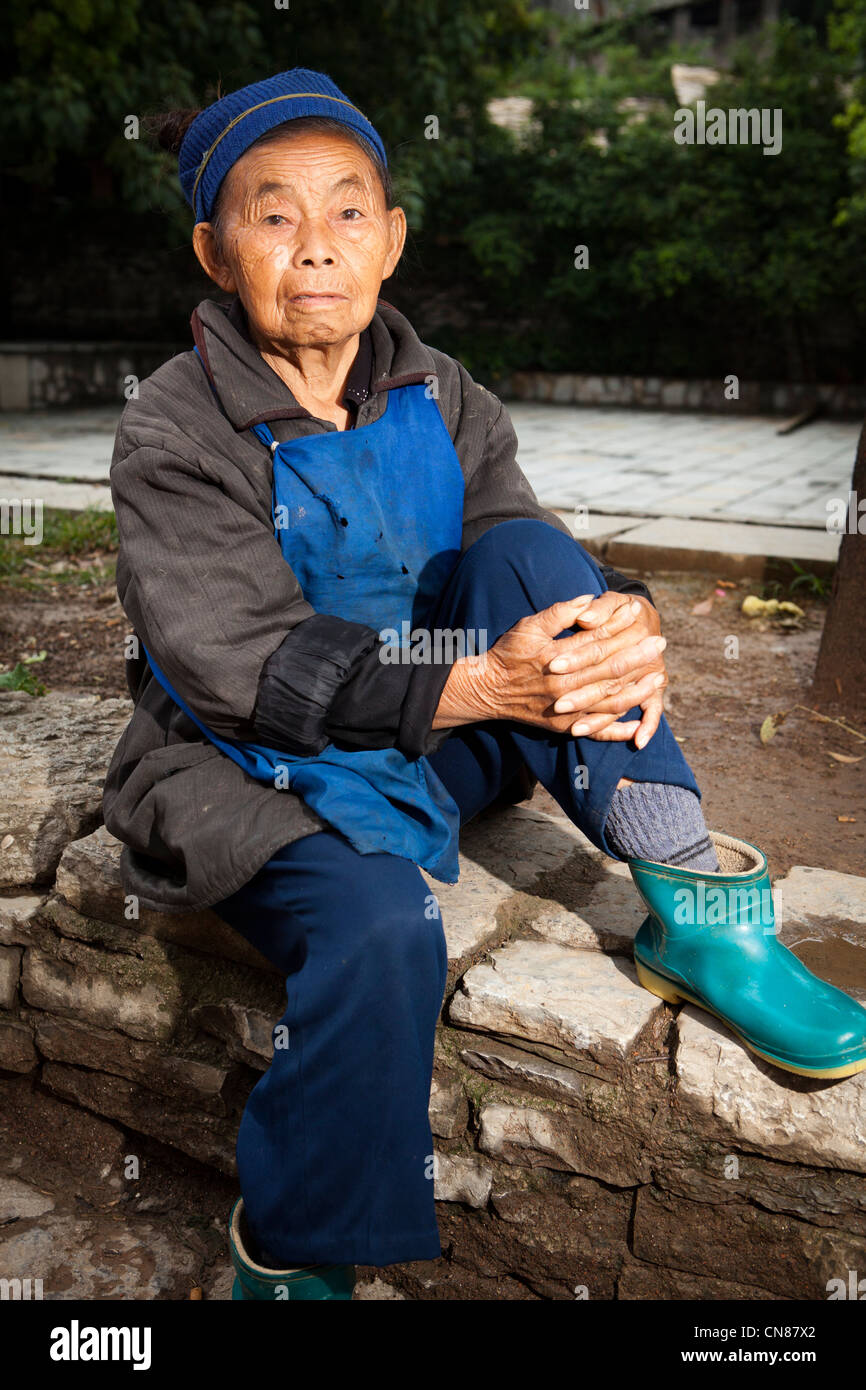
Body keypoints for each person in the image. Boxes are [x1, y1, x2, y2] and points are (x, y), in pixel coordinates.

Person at [102, 67, 866, 1301]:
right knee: (374, 930)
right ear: (214, 248)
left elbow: (525, 553)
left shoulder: (440, 389)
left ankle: (693, 911)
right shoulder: (175, 430)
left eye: (348, 212)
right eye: (273, 214)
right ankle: (293, 1258)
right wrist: (480, 692)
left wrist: (621, 620)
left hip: (426, 727)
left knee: (530, 564)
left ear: (391, 240)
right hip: (244, 761)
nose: (314, 248)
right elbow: (235, 660)